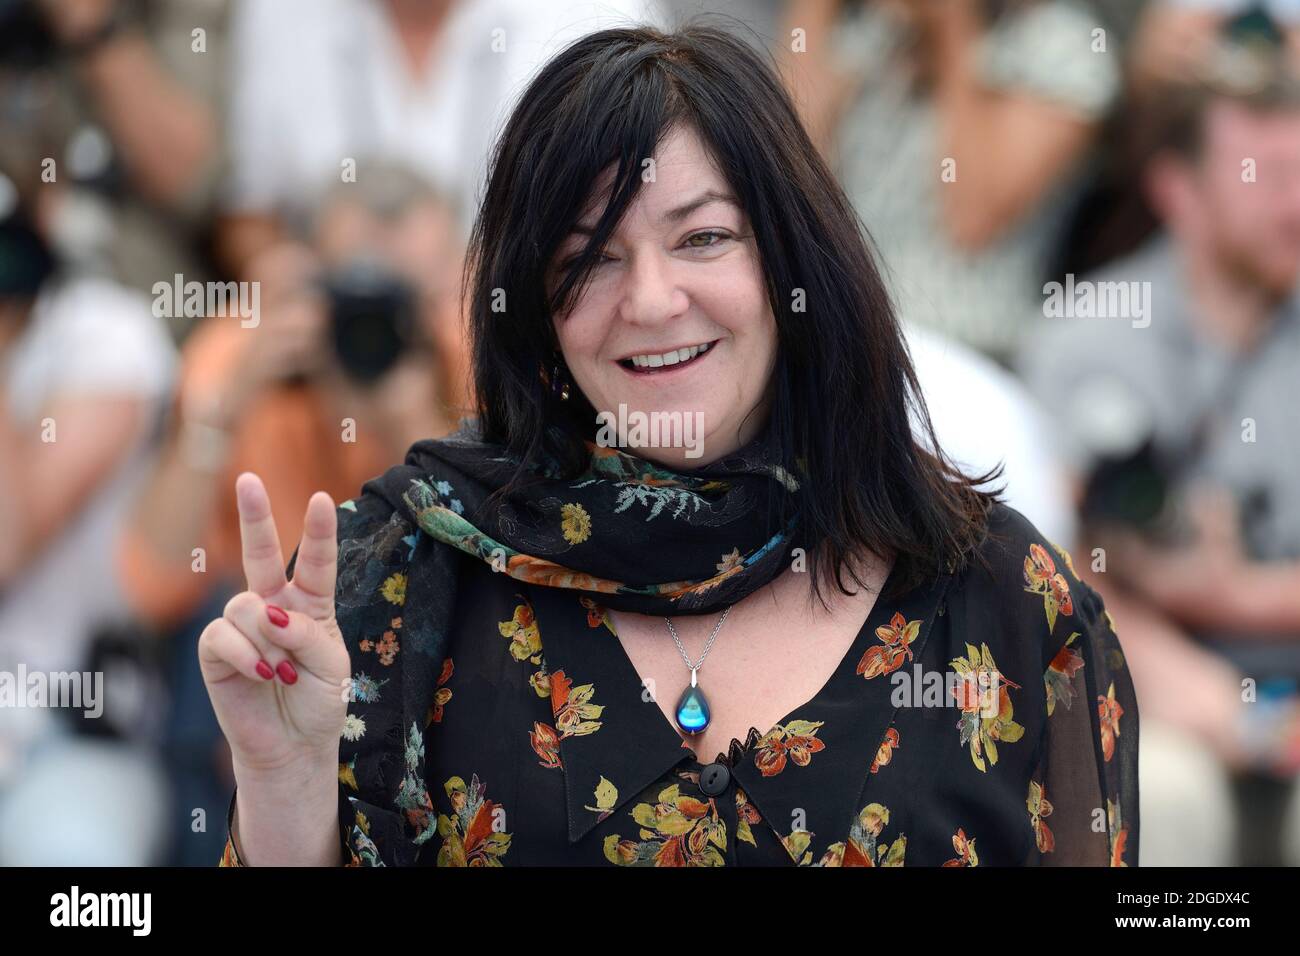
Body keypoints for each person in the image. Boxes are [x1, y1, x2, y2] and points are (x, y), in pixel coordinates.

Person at [201, 24, 1137, 867]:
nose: (650, 301)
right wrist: (283, 789)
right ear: (538, 309)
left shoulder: (1005, 604)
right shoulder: (403, 578)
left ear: (794, 262)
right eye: (589, 258)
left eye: (703, 238)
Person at [1017, 66, 1300, 864]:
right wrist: (1200, 691)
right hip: (1138, 672)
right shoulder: (1089, 338)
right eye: (1270, 176)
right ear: (1177, 189)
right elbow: (1043, 569)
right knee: (1164, 798)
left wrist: (1239, 598)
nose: (1296, 203)